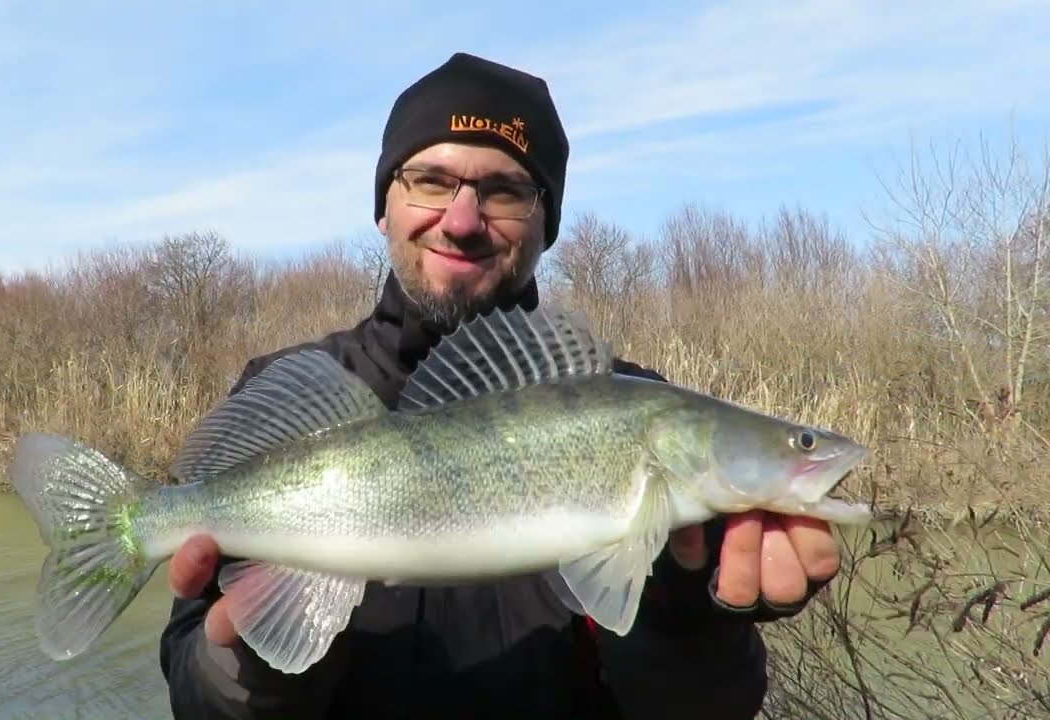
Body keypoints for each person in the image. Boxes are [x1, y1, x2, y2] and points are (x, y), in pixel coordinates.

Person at [158, 51, 841, 719]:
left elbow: (707, 708)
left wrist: (687, 618)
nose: (461, 221)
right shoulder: (291, 393)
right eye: (430, 181)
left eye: (505, 191)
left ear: (547, 224)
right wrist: (249, 666)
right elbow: (195, 696)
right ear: (383, 207)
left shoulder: (631, 401)